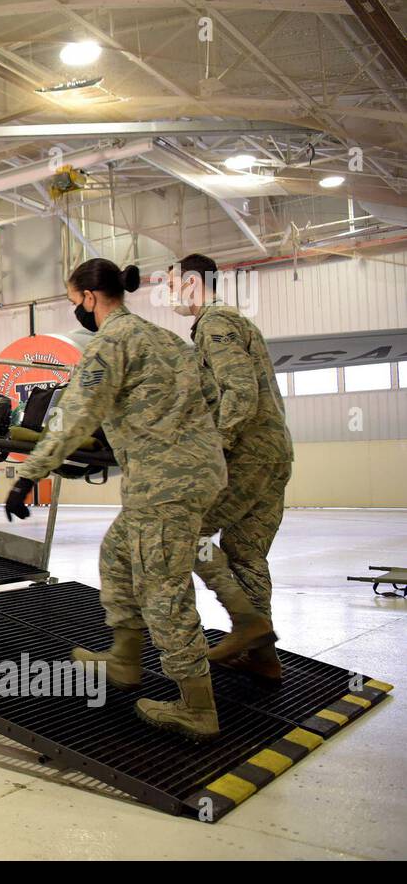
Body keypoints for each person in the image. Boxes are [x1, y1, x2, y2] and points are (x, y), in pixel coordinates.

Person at [5, 259, 228, 740]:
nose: (75, 311)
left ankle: (198, 707)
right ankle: (125, 661)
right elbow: (210, 394)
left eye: (72, 301)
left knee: (163, 590)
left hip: (165, 485)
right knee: (118, 551)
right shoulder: (166, 338)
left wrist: (28, 476)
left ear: (89, 297)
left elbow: (76, 415)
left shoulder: (110, 342)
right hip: (198, 473)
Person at [172, 253, 293, 681]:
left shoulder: (214, 323)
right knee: (245, 553)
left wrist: (217, 448)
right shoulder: (234, 321)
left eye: (172, 283)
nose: (170, 293)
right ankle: (263, 658)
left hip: (247, 455)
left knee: (182, 530)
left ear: (189, 282)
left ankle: (246, 625)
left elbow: (238, 390)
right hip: (274, 453)